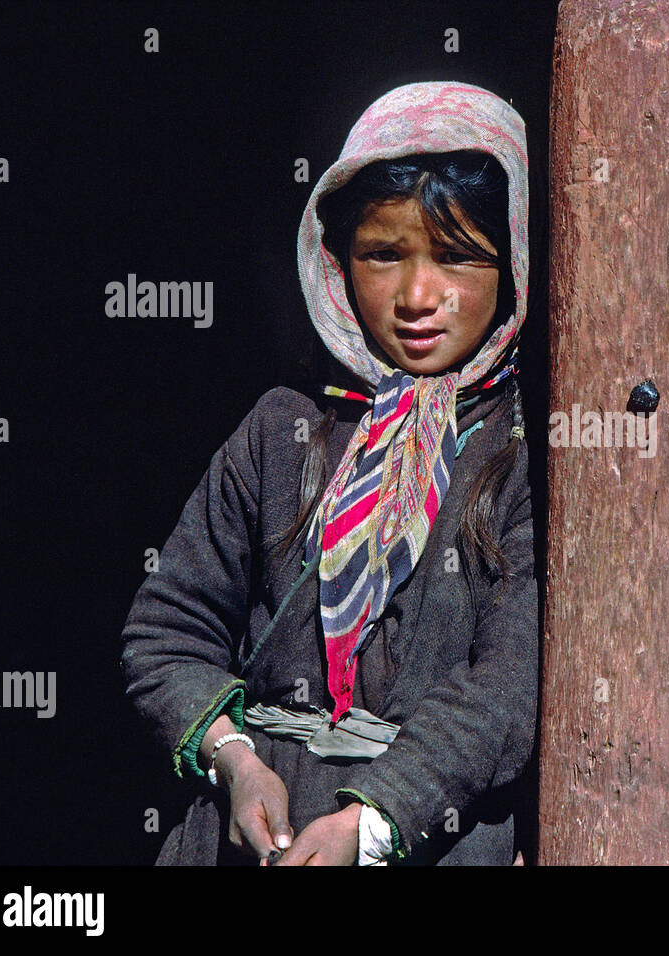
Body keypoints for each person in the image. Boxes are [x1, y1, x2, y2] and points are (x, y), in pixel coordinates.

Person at [120, 81, 538, 866]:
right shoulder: (283, 428)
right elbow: (165, 631)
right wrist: (235, 760)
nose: (419, 296)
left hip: (431, 841)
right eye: (385, 254)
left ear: (513, 263)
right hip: (248, 843)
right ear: (337, 259)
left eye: (457, 259)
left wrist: (372, 821)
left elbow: (510, 689)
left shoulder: (523, 455)